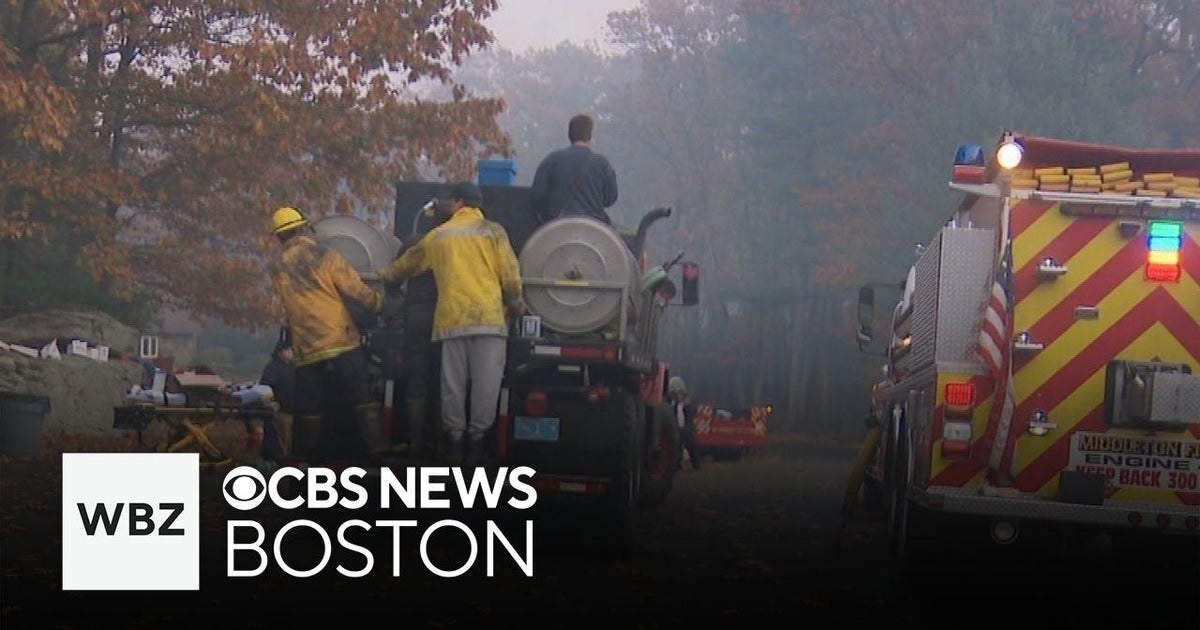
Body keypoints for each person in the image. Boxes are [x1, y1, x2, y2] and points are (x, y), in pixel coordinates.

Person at [377, 182, 524, 467]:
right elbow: (510, 275)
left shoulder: (439, 236)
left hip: (452, 322)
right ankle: (477, 448)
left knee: (453, 385)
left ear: (458, 202)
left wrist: (384, 276)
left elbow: (407, 264)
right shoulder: (494, 233)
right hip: (489, 321)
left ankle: (455, 445)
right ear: (477, 205)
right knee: (485, 384)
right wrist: (516, 304)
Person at [266, 205, 389, 463]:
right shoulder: (324, 255)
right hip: (340, 338)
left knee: (308, 403)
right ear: (303, 228)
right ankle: (377, 447)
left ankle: (305, 452)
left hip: (306, 344)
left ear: (280, 236)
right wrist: (378, 304)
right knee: (361, 394)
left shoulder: (277, 267)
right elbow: (353, 287)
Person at [397, 196, 451, 461]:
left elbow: (395, 274)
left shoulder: (412, 243)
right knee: (443, 381)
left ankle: (416, 443)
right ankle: (442, 445)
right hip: (445, 318)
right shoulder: (454, 244)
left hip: (415, 318)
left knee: (416, 380)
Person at [530, 113, 618, 225]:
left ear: (569, 135)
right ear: (590, 136)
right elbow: (610, 198)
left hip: (557, 227)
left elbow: (537, 197)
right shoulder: (602, 164)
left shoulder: (551, 161)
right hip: (593, 229)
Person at [258, 327, 296, 462]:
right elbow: (265, 387)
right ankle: (282, 461)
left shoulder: (293, 367)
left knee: (291, 438)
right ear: (281, 352)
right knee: (283, 438)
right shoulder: (273, 368)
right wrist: (272, 403)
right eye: (288, 350)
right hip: (281, 411)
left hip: (294, 410)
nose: (291, 353)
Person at [668, 376, 700, 470]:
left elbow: (692, 413)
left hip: (687, 429)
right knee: (677, 448)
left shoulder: (688, 405)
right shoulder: (673, 405)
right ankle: (677, 465)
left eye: (679, 393)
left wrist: (687, 403)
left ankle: (696, 464)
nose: (678, 395)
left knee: (691, 447)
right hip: (677, 429)